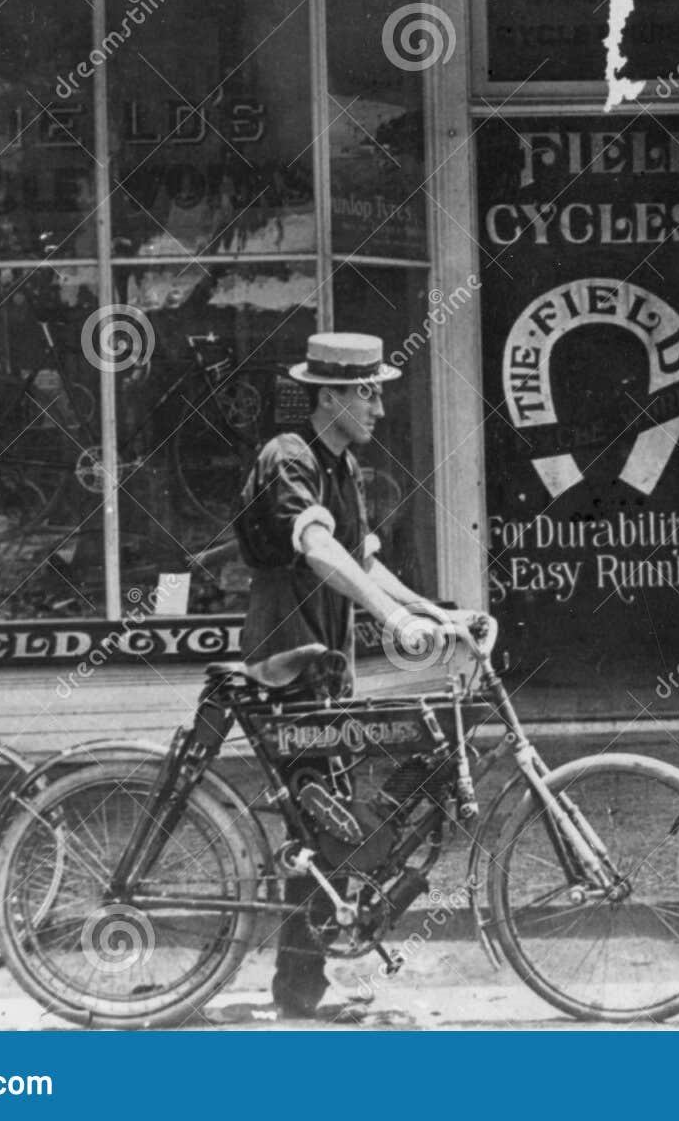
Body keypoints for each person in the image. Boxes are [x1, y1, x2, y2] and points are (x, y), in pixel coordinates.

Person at [235, 331, 454, 1017]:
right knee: (317, 826)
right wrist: (391, 618)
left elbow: (362, 559)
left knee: (327, 827)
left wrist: (435, 610)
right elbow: (320, 546)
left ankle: (304, 985)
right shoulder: (290, 457)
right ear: (327, 394)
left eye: (379, 392)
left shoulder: (344, 465)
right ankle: (297, 992)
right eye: (367, 392)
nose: (379, 409)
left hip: (326, 670)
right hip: (288, 661)